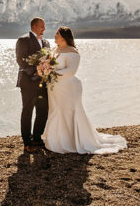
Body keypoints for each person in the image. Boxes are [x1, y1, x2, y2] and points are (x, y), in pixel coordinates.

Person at [42, 26, 127, 154]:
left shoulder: (73, 52)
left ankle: (71, 141)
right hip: (55, 88)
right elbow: (48, 64)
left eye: (57, 34)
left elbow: (71, 71)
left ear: (64, 37)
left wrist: (52, 72)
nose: (54, 36)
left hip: (68, 88)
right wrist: (44, 69)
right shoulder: (54, 49)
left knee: (69, 112)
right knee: (56, 111)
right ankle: (55, 140)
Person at [15, 17, 50, 153]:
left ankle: (37, 138)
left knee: (43, 111)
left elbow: (48, 59)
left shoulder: (46, 42)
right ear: (34, 26)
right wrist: (36, 71)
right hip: (28, 82)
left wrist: (47, 71)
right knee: (27, 111)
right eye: (42, 26)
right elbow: (20, 60)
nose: (44, 29)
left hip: (43, 83)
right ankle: (27, 142)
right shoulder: (23, 40)